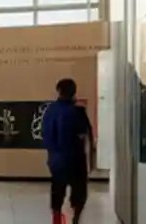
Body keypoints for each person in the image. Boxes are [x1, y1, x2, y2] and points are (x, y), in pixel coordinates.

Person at [41, 78, 94, 224]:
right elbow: (85, 135)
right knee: (79, 193)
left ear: (58, 91)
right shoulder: (77, 112)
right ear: (74, 92)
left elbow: (45, 134)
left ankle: (57, 219)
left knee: (57, 190)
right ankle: (74, 219)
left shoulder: (50, 111)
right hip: (75, 160)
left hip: (55, 160)